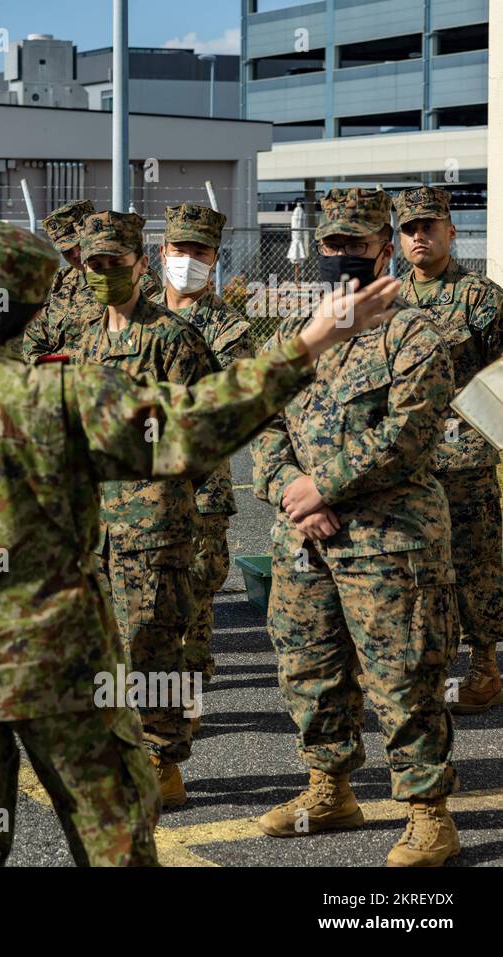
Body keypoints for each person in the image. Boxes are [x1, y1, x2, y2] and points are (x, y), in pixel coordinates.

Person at [0, 216, 402, 867]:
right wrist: (310, 342)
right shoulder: (61, 393)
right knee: (116, 844)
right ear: (34, 307)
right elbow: (195, 422)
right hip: (64, 664)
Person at [251, 187, 460, 867]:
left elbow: (412, 433)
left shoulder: (413, 332)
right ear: (318, 247)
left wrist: (325, 482)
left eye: (357, 243)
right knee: (310, 670)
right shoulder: (299, 334)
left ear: (383, 248)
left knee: (404, 674)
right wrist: (293, 491)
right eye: (333, 244)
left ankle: (429, 814)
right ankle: (328, 788)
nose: (343, 254)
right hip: (305, 542)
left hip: (390, 540)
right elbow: (264, 424)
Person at [75, 210, 221, 808]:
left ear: (142, 263)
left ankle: (164, 761)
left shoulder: (172, 338)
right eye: (96, 263)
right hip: (96, 527)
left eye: (118, 261)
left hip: (156, 523)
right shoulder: (85, 340)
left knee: (156, 644)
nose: (107, 272)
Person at [394, 185, 503, 715]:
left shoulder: (479, 296)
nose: (420, 236)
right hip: (406, 463)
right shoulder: (388, 298)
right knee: (417, 570)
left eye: (429, 226)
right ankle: (425, 667)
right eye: (410, 228)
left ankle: (484, 665)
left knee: (477, 563)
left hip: (468, 463)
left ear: (450, 232)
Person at [148, 204, 255, 683]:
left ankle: (189, 686)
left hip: (200, 484)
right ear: (161, 251)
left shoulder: (230, 331)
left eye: (200, 250)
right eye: (180, 248)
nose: (188, 258)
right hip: (137, 481)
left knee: (196, 584)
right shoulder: (134, 318)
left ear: (214, 258)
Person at [23, 199, 100, 361]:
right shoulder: (59, 282)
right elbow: (34, 342)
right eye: (66, 250)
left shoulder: (132, 278)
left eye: (79, 244)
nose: (75, 254)